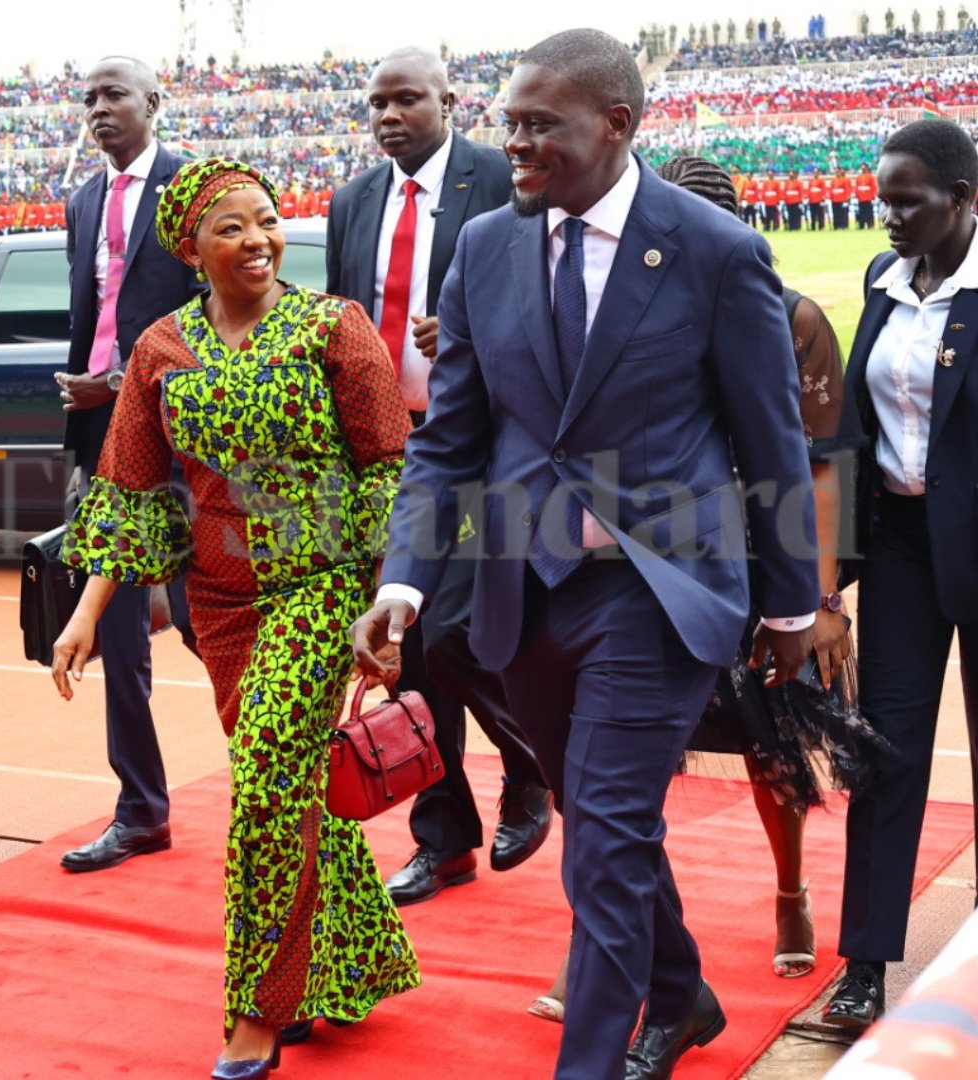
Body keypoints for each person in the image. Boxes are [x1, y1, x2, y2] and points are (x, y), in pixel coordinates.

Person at [351, 29, 821, 1079]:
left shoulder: (712, 249)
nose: (512, 144)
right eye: (507, 122)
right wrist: (404, 580)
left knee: (604, 837)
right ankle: (681, 994)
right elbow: (452, 439)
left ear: (616, 124)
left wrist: (795, 607)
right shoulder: (488, 249)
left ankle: (591, 1064)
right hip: (528, 591)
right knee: (603, 826)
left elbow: (770, 437)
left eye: (537, 126)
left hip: (661, 591)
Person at [51, 157, 420, 1077]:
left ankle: (260, 1006)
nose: (258, 239)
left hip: (321, 587)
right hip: (217, 602)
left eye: (266, 220)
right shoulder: (160, 349)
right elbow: (131, 484)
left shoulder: (333, 326)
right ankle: (346, 965)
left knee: (261, 785)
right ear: (190, 248)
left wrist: (385, 610)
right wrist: (89, 608)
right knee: (293, 788)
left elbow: (387, 469)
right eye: (232, 228)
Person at [528, 157, 883, 1025]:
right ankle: (609, 940)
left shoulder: (795, 315)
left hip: (765, 555)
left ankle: (790, 891)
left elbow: (816, 463)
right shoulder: (607, 299)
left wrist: (820, 601)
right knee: (620, 772)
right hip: (661, 563)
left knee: (773, 745)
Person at [326, 46, 553, 906]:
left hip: (481, 448)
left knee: (463, 630)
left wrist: (465, 341)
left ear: (449, 102)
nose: (388, 116)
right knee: (409, 650)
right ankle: (444, 834)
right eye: (376, 103)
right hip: (385, 454)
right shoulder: (352, 202)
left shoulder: (501, 178)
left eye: (406, 100)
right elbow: (341, 325)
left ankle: (528, 771)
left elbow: (541, 299)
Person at [823, 117, 978, 1036]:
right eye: (882, 196)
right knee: (886, 758)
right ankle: (865, 962)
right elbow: (852, 435)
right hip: (902, 552)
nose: (887, 214)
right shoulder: (884, 283)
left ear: (964, 201)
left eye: (906, 201)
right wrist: (828, 576)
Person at [52, 56, 201, 874]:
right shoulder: (81, 200)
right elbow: (94, 317)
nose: (98, 108)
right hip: (102, 435)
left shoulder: (194, 188)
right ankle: (140, 808)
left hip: (185, 440)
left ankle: (283, 789)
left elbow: (216, 317)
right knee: (115, 624)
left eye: (113, 95)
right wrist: (89, 391)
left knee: (201, 616)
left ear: (154, 102)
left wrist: (127, 380)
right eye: (89, 99)